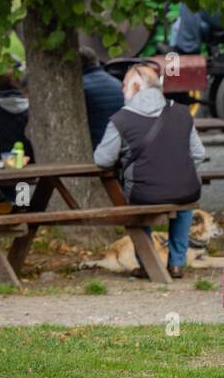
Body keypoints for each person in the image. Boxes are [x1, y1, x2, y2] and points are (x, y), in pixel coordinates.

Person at [94, 63, 204, 279]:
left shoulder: (120, 120)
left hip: (143, 194)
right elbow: (198, 154)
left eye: (124, 85)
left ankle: (147, 262)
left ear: (136, 86)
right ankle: (177, 263)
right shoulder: (183, 113)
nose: (122, 90)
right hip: (186, 191)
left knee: (140, 196)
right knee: (183, 197)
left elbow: (103, 160)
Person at [80, 45, 125, 148]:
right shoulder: (118, 83)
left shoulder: (80, 88)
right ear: (96, 60)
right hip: (119, 146)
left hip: (96, 147)